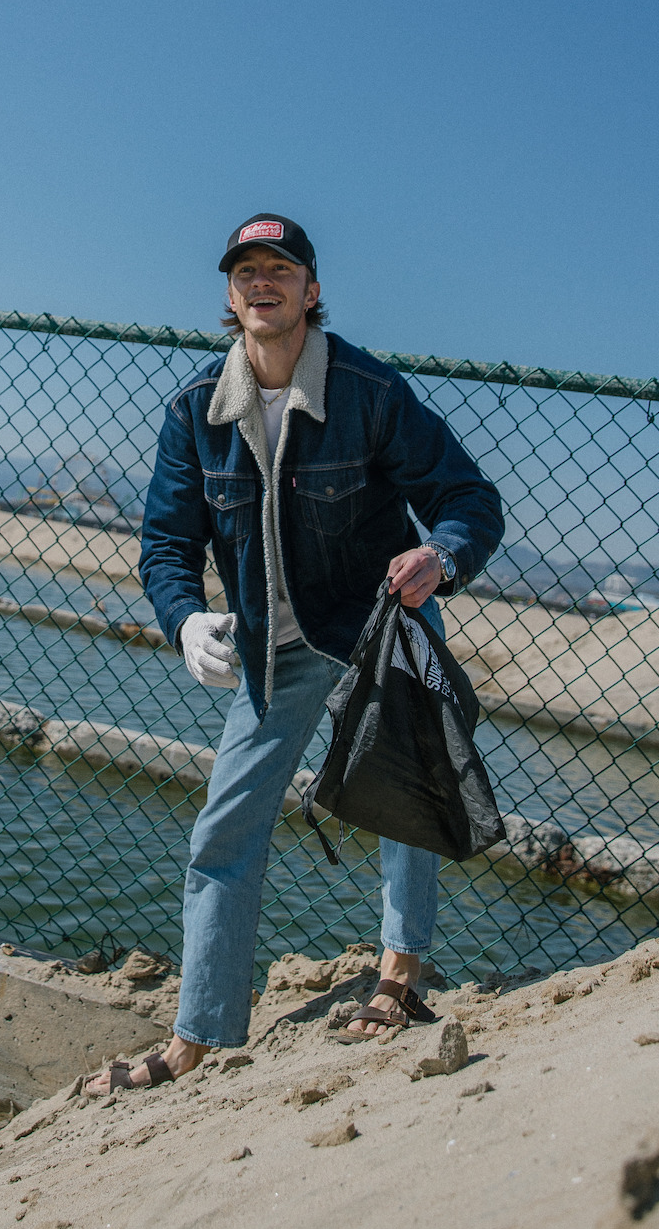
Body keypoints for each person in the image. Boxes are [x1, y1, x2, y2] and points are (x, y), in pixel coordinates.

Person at [86, 214, 503, 1093]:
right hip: (275, 651)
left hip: (376, 629)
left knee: (405, 797)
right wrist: (185, 620)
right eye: (246, 271)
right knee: (222, 830)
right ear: (230, 297)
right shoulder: (192, 410)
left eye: (281, 268)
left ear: (312, 292)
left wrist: (442, 556)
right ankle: (196, 1037)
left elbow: (469, 497)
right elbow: (166, 544)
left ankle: (399, 976)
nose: (262, 282)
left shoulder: (370, 392)